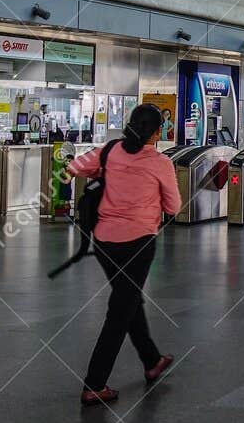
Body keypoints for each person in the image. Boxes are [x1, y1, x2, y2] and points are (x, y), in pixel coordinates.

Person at [68, 104, 181, 406]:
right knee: (120, 311)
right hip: (139, 242)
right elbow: (173, 207)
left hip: (104, 241)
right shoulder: (160, 163)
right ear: (158, 132)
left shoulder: (110, 151)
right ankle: (95, 384)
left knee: (128, 298)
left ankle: (152, 360)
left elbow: (74, 168)